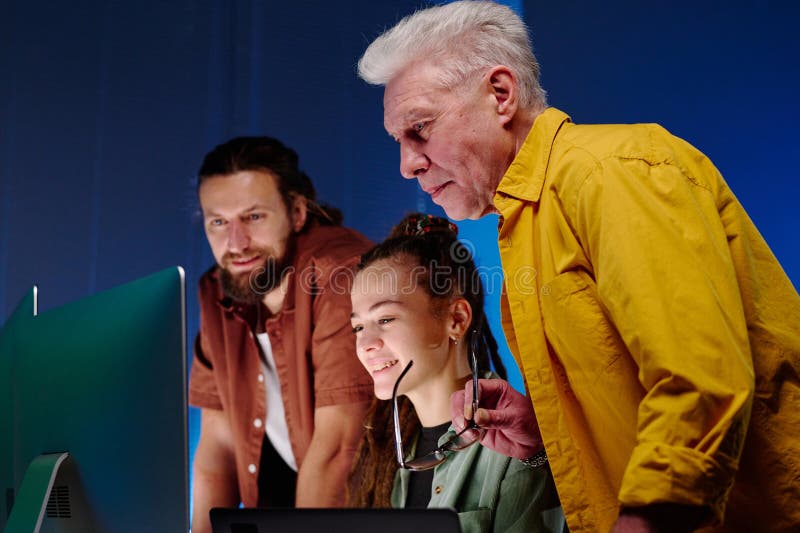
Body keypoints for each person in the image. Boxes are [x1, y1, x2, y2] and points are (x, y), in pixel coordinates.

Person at [357, 2, 800, 532]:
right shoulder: (524, 223)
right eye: (399, 143)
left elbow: (700, 381)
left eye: (421, 130)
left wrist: (647, 516)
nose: (408, 164)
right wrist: (544, 435)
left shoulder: (611, 172)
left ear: (501, 94)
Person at [188, 136, 374, 533]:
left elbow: (341, 448)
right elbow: (217, 449)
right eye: (218, 222)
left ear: (296, 212)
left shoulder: (340, 274)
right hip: (282, 500)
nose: (235, 243)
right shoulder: (218, 289)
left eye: (253, 217)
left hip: (360, 509)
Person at [348, 213, 567, 533]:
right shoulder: (380, 450)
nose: (365, 343)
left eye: (385, 319)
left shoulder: (519, 447)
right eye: (357, 327)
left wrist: (536, 459)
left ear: (456, 319)